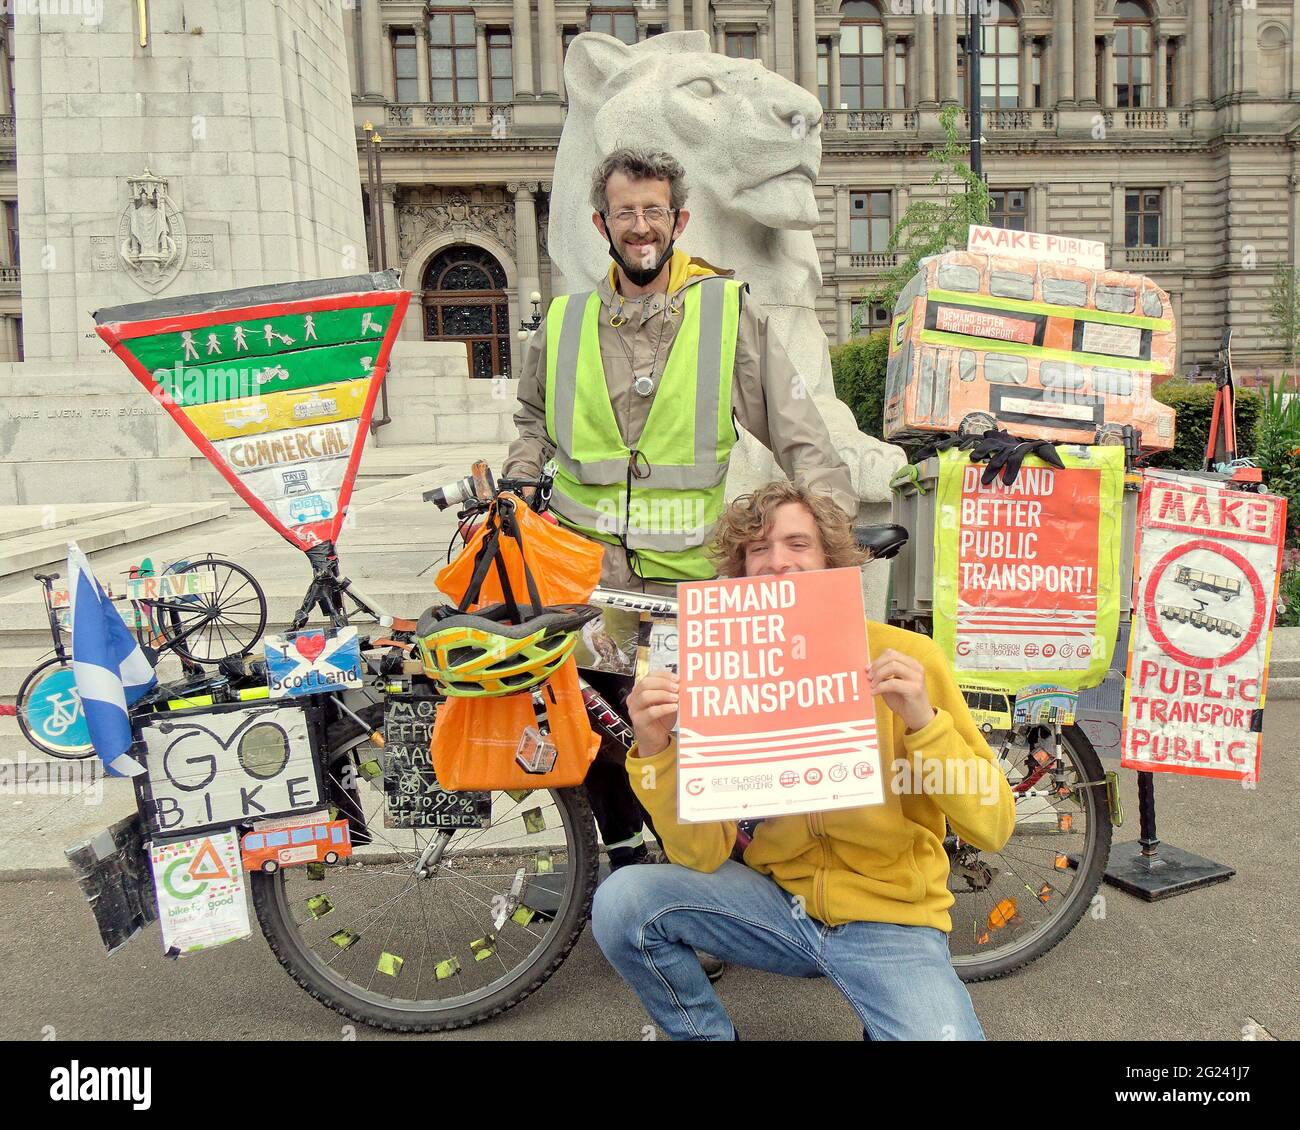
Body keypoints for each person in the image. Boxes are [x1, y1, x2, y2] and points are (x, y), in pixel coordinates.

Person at [504, 148, 856, 879]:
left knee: (687, 740)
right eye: (626, 213)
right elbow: (533, 421)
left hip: (683, 585)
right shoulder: (564, 322)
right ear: (602, 223)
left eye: (654, 212)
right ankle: (626, 862)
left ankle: (703, 886)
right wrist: (514, 484)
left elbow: (798, 432)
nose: (640, 228)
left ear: (679, 221)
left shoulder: (725, 314)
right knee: (593, 727)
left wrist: (829, 534)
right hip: (585, 579)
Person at [590, 481, 1016, 1040]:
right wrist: (656, 751)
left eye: (798, 544)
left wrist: (924, 723)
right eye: (758, 550)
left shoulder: (909, 658)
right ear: (740, 573)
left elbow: (993, 825)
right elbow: (700, 853)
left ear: (831, 563)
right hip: (775, 909)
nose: (777, 564)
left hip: (893, 919)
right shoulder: (720, 669)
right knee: (624, 900)